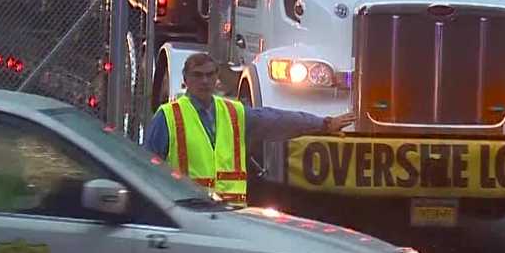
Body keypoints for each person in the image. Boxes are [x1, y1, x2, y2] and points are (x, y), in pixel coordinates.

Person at [144, 53, 354, 206]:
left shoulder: (233, 112)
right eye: (198, 75)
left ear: (217, 77)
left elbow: (279, 120)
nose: (204, 81)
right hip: (188, 213)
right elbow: (147, 168)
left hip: (231, 216)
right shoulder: (168, 116)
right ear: (185, 80)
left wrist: (323, 124)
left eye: (209, 75)